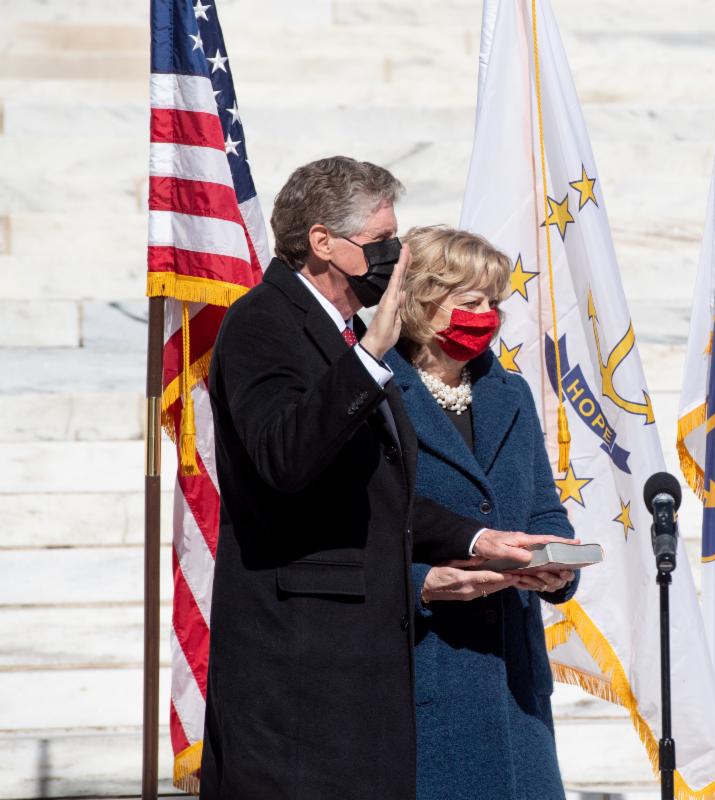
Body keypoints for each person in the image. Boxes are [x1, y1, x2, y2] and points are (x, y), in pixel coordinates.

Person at [200, 158, 564, 799]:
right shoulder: (265, 321)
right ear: (322, 242)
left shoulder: (344, 336)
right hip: (299, 667)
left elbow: (379, 495)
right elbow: (284, 458)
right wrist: (370, 355)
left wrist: (480, 540)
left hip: (361, 675)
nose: (395, 256)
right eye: (380, 241)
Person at [382, 225, 579, 800]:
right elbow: (358, 529)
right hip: (428, 669)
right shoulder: (377, 390)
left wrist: (555, 565)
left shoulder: (509, 392)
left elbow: (544, 507)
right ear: (421, 301)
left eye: (494, 302)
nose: (488, 315)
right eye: (471, 302)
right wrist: (422, 582)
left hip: (515, 682)